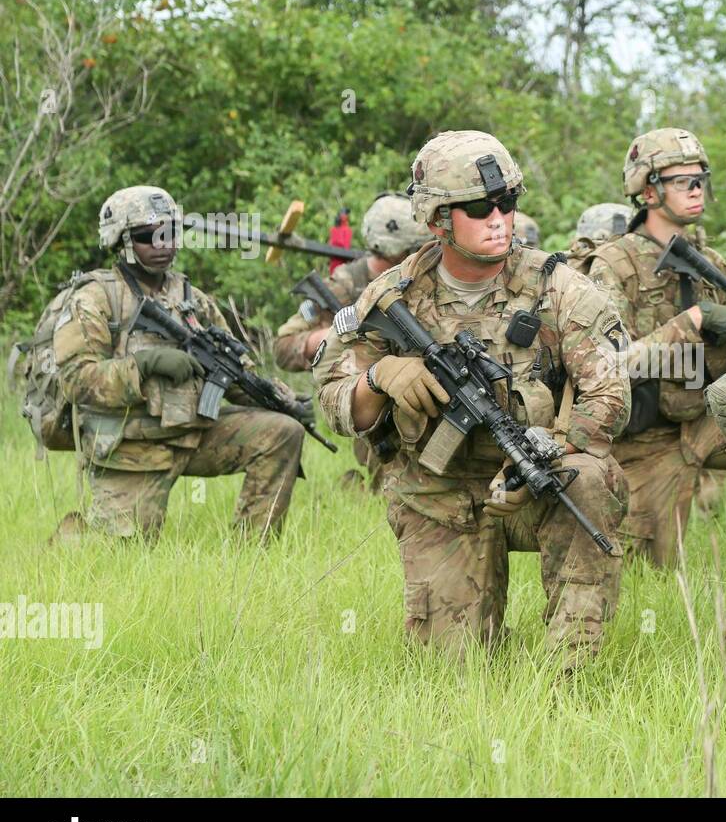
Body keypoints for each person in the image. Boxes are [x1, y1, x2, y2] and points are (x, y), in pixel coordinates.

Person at [314, 131, 630, 669]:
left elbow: (610, 394)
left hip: (535, 479)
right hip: (438, 493)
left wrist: (544, 448)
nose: (499, 218)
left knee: (592, 480)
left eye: (508, 202)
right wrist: (380, 377)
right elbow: (331, 399)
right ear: (437, 219)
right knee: (454, 671)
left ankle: (567, 677)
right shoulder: (392, 295)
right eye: (480, 206)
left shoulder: (559, 289)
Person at [52, 186, 306, 540]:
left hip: (194, 433)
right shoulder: (97, 298)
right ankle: (72, 539)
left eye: (171, 233)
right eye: (148, 237)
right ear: (122, 240)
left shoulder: (191, 299)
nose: (164, 244)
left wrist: (283, 398)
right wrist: (145, 365)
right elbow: (76, 379)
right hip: (132, 448)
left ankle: (250, 559)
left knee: (283, 432)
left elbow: (234, 371)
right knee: (120, 554)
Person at [576, 128, 726, 568]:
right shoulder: (614, 265)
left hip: (703, 422)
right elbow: (603, 366)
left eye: (700, 179)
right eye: (682, 181)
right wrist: (689, 324)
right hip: (642, 440)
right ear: (648, 191)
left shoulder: (712, 264)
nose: (697, 190)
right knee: (646, 569)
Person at [274, 192, 427, 490]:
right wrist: (338, 336)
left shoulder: (419, 278)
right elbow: (284, 346)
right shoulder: (345, 283)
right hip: (372, 401)